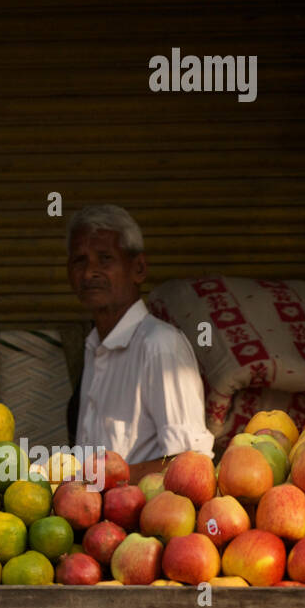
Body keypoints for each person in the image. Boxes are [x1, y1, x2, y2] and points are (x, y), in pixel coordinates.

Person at [66, 204, 214, 481]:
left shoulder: (160, 346)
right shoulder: (94, 346)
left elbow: (191, 463)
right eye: (80, 261)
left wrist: (97, 481)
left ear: (139, 269)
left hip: (145, 519)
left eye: (105, 259)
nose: (89, 273)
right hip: (92, 515)